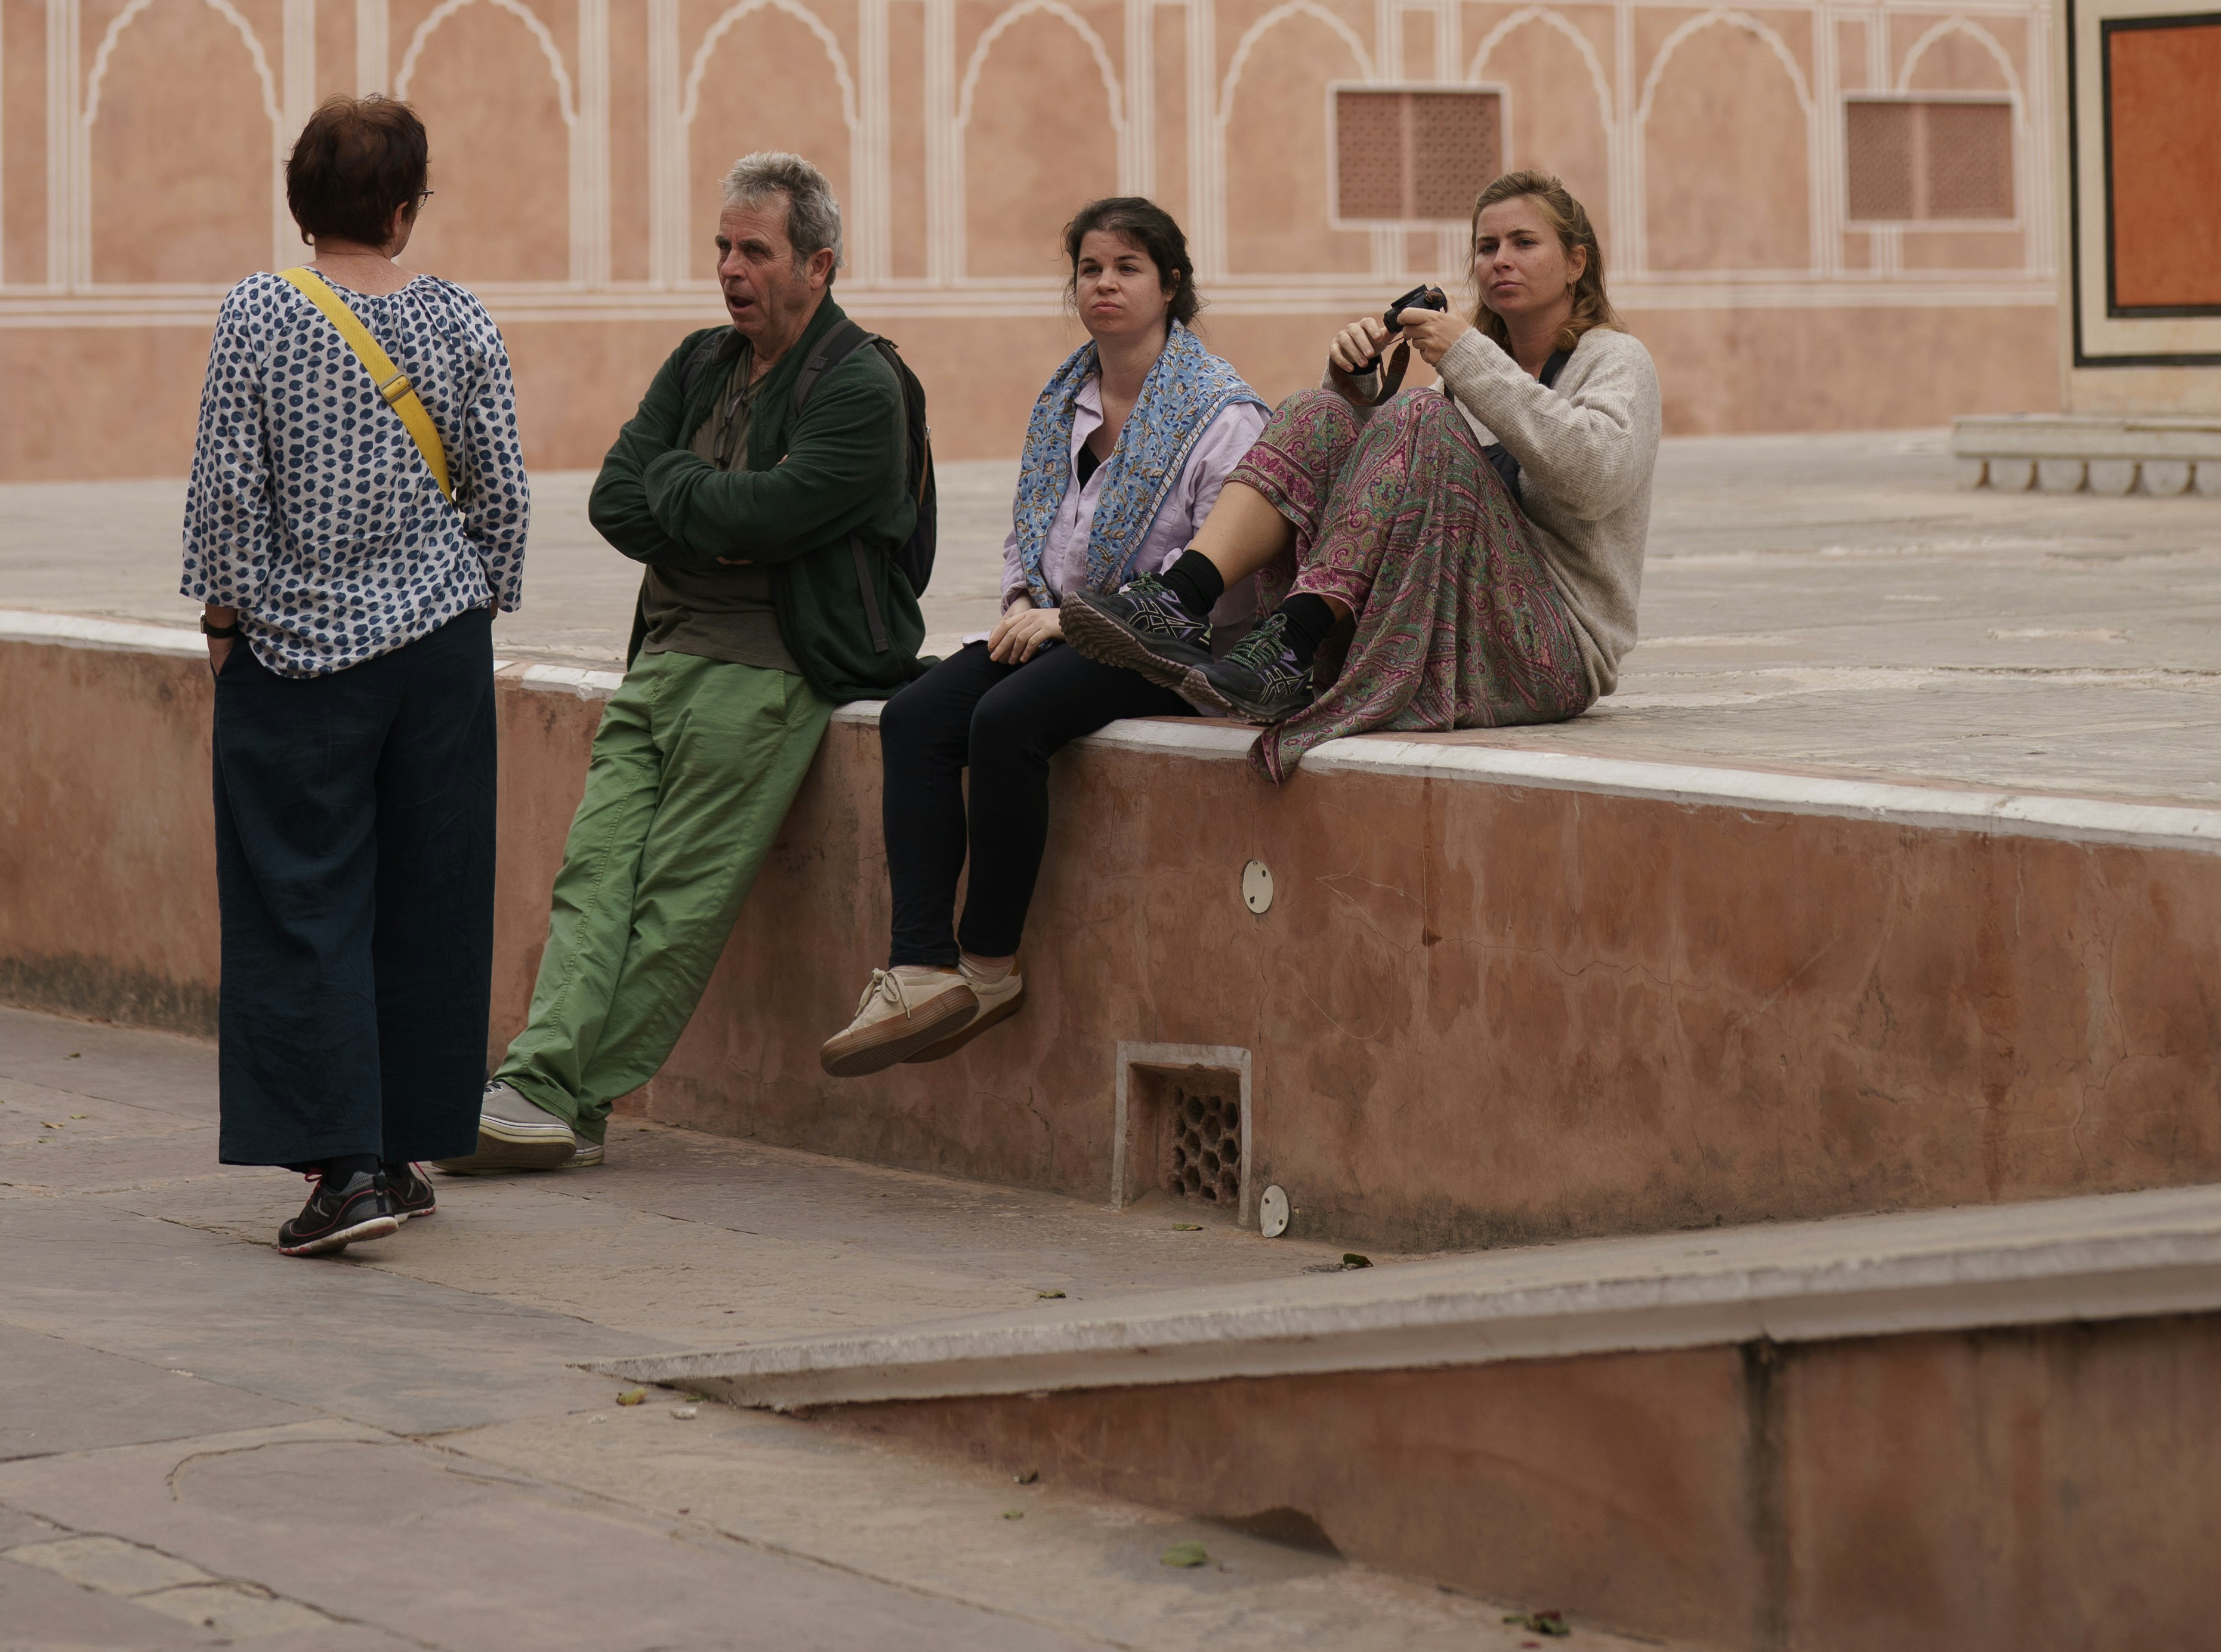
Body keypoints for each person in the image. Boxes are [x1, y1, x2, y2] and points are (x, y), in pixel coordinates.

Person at [467, 151, 924, 1171]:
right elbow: (613, 499)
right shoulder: (699, 363)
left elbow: (775, 510)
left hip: (766, 675)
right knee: (593, 878)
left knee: (678, 900)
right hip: (661, 658)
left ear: (818, 263)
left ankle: (557, 1095)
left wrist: (689, 496)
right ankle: (540, 1091)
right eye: (722, 246)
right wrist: (713, 513)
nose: (729, 268)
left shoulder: (861, 385)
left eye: (754, 250)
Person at [184, 90, 530, 1256]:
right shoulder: (458, 316)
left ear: (302, 203)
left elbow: (227, 487)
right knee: (430, 899)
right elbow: (501, 488)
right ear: (402, 209)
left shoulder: (260, 312)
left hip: (300, 653)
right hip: (439, 648)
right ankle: (403, 1147)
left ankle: (345, 1170)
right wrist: (472, 598)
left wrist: (224, 620)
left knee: (304, 900)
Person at [820, 195, 1263, 1076]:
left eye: (1128, 267)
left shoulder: (1221, 413)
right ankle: (921, 969)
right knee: (915, 717)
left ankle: (989, 967)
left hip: (1171, 645)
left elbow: (1222, 581)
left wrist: (1072, 620)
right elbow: (1031, 526)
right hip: (1060, 624)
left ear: (1171, 284)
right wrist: (1027, 599)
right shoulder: (1065, 397)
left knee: (1007, 720)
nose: (1105, 284)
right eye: (1091, 268)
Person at [1064, 168, 1652, 782]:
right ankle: (1179, 597)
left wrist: (1466, 354)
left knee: (1421, 413)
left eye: (1524, 243)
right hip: (1447, 619)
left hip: (1549, 654)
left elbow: (1594, 480)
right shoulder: (1473, 372)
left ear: (1576, 262)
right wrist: (1353, 390)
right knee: (1315, 410)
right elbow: (1398, 494)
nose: (1500, 259)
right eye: (1486, 246)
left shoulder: (1615, 360)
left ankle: (1291, 641)